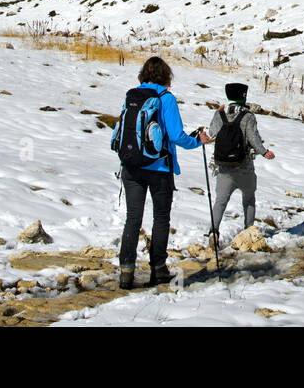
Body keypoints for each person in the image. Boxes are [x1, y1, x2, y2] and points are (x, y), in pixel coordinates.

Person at [113, 56, 210, 289]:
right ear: (166, 75)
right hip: (159, 168)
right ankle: (158, 269)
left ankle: (126, 271)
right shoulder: (166, 98)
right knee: (161, 219)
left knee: (132, 219)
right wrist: (198, 140)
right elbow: (176, 136)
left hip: (131, 166)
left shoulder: (132, 95)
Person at [207, 82, 274, 237]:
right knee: (249, 198)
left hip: (223, 167)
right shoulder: (248, 116)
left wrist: (216, 114)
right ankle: (248, 231)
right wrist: (264, 152)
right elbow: (253, 138)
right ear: (243, 96)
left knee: (220, 201)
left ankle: (213, 232)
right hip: (244, 166)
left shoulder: (220, 114)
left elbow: (212, 133)